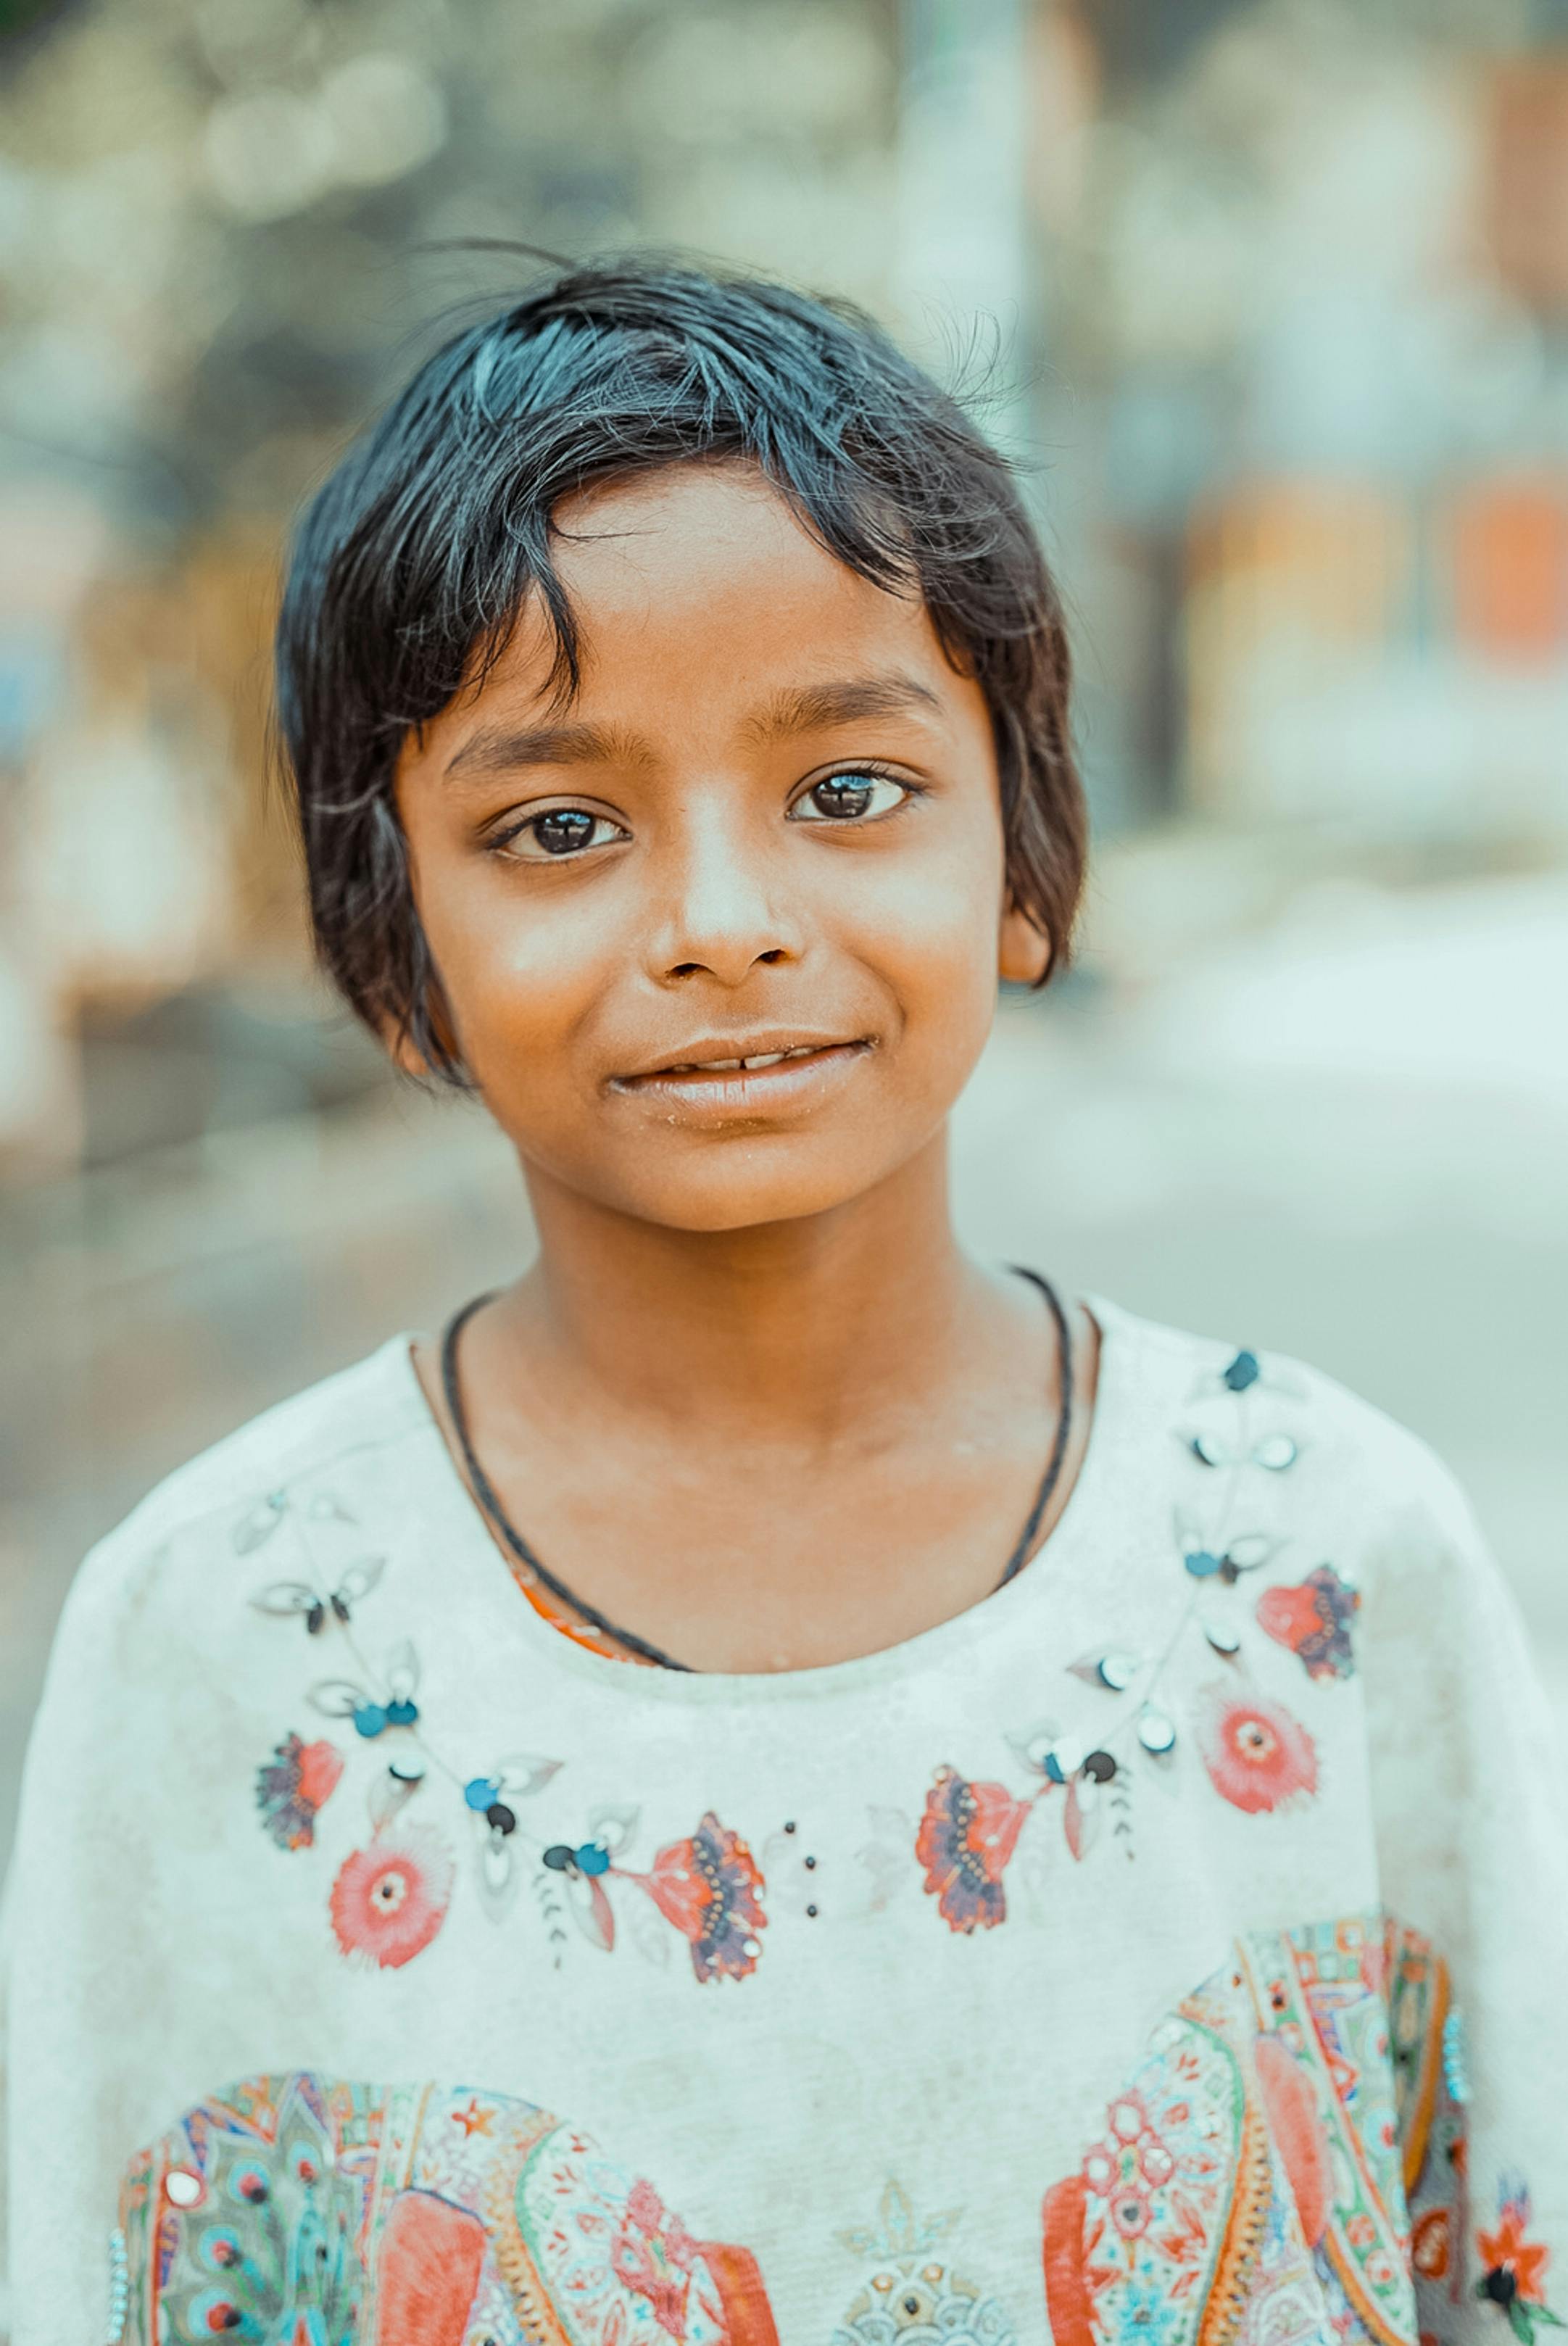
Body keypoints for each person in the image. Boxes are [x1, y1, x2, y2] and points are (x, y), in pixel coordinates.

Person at [0, 255, 1563, 2346]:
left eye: (846, 791)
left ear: (1017, 855)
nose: (723, 924)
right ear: (394, 952)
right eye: (560, 825)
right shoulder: (217, 1631)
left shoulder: (1327, 1554)